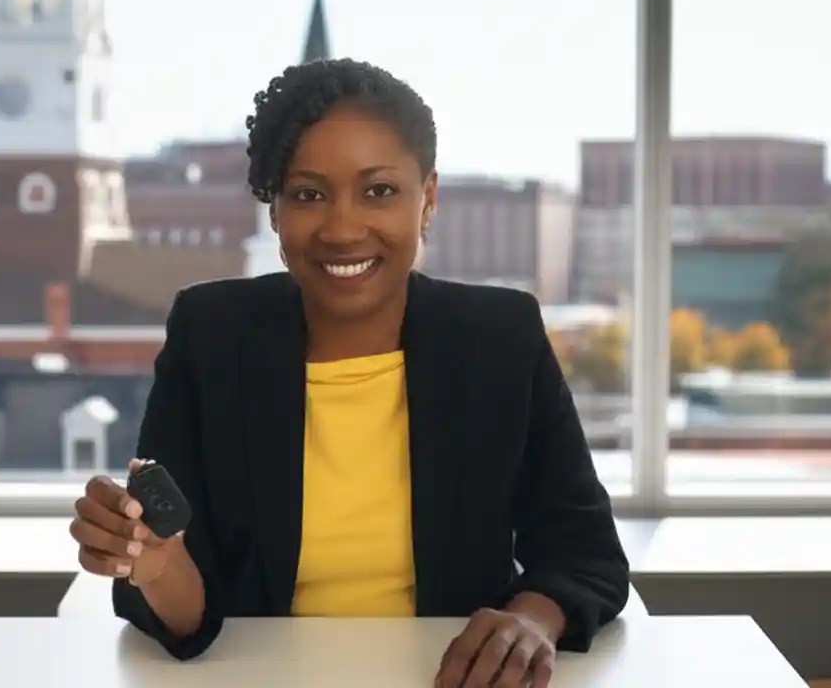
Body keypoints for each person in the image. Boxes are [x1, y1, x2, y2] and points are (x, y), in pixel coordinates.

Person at [69, 57, 629, 687]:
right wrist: (156, 562)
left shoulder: (498, 336)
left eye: (379, 191)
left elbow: (587, 555)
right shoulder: (212, 335)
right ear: (275, 212)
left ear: (428, 200)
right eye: (308, 194)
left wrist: (530, 620)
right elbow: (189, 610)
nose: (342, 228)